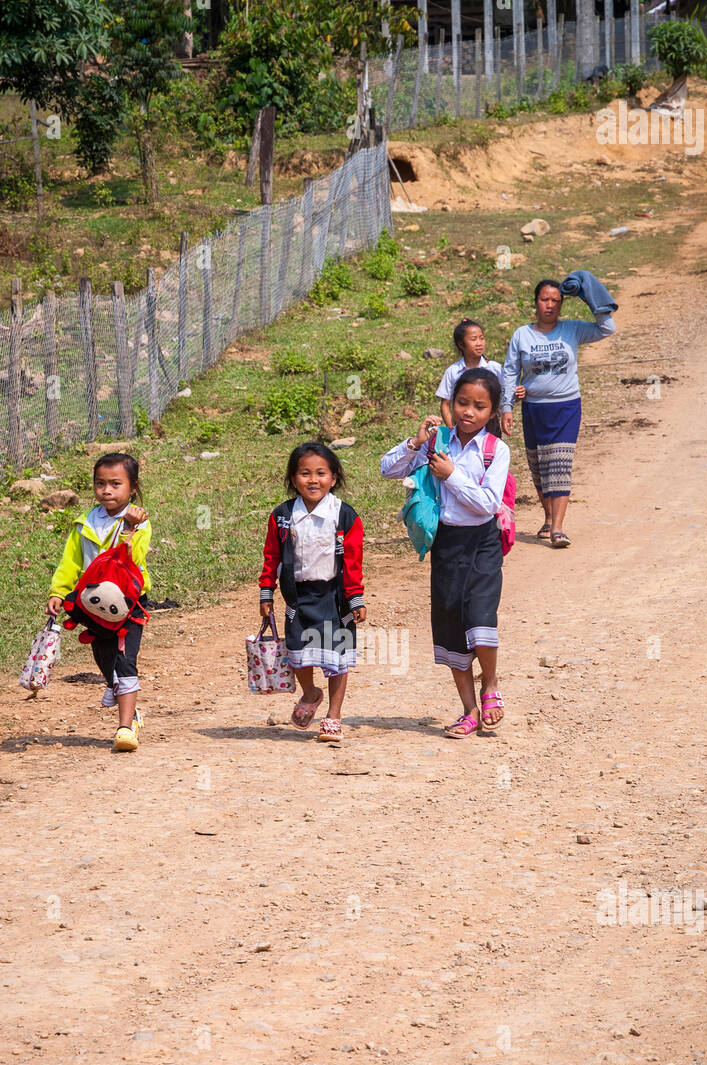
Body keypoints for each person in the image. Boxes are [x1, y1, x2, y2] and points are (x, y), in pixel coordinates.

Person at [380, 368, 509, 738]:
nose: (469, 412)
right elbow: (387, 470)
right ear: (450, 403)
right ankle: (469, 710)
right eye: (462, 403)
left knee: (480, 616)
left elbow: (487, 504)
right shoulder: (437, 441)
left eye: (479, 406)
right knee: (452, 622)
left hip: (482, 544)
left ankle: (491, 683)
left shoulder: (495, 450)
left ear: (493, 411)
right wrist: (414, 444)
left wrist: (451, 475)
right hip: (446, 545)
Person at [259, 442, 366, 744]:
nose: (313, 480)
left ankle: (333, 715)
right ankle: (310, 692)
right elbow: (272, 557)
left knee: (337, 658)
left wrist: (355, 596)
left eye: (321, 473)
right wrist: (266, 592)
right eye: (305, 473)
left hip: (335, 598)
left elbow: (353, 559)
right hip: (299, 599)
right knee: (298, 655)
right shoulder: (282, 516)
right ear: (293, 479)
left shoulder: (344, 516)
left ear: (333, 478)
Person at [500, 277, 616, 548]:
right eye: (545, 300)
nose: (550, 305)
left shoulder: (572, 330)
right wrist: (506, 407)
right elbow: (509, 372)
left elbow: (607, 327)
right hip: (533, 410)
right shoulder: (522, 335)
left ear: (562, 304)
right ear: (535, 302)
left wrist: (590, 296)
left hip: (566, 407)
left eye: (556, 301)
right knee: (539, 468)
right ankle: (549, 517)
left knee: (559, 466)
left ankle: (558, 529)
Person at [47, 452, 151, 752]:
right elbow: (71, 562)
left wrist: (129, 529)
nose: (107, 490)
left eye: (116, 484)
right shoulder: (84, 523)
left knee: (123, 658)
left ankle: (125, 727)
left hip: (128, 603)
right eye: (100, 483)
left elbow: (133, 558)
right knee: (104, 659)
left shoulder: (139, 522)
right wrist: (58, 591)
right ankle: (131, 711)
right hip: (90, 604)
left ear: (132, 488)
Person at [435, 319, 511, 427]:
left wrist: (516, 395)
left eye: (481, 338)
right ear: (461, 344)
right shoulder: (453, 371)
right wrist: (451, 429)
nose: (479, 343)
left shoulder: (494, 368)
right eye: (473, 339)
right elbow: (445, 405)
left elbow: (506, 394)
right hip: (463, 423)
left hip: (489, 424)